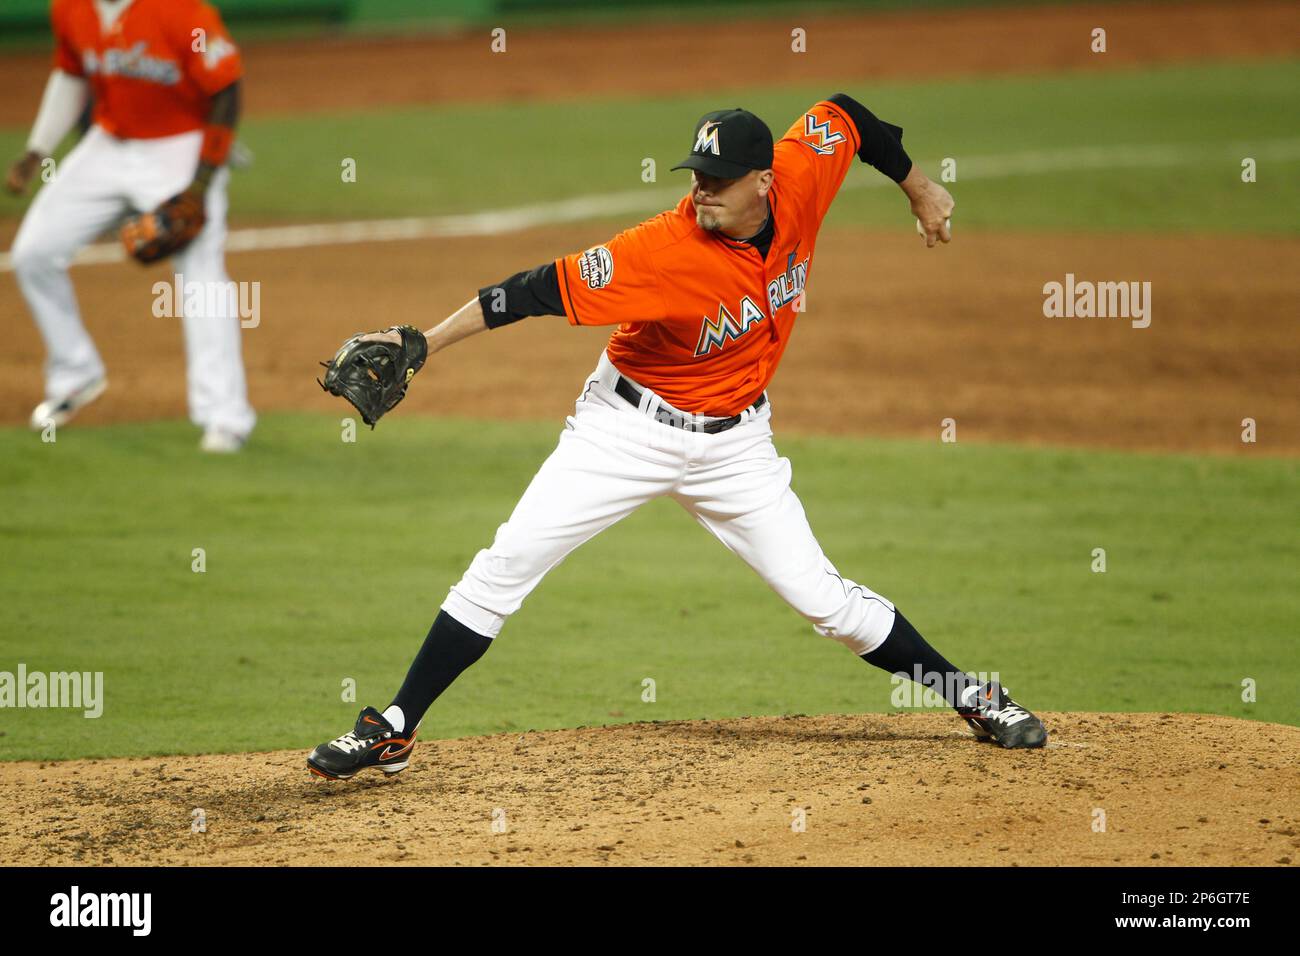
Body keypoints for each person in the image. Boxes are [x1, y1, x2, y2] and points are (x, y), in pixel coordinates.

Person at [308, 95, 1047, 780]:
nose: (703, 191)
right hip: (623, 431)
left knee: (824, 601)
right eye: (697, 175)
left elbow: (846, 115)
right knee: (509, 561)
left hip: (737, 448)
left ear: (765, 180)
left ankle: (973, 697)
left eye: (720, 179)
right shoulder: (660, 251)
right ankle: (396, 725)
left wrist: (917, 185)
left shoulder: (801, 175)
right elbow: (530, 290)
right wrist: (427, 344)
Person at [5, 0, 255, 452]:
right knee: (33, 252)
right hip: (107, 146)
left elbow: (227, 90)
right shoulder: (70, 8)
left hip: (179, 148)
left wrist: (199, 185)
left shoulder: (181, 12)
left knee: (199, 276)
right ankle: (75, 373)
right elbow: (71, 73)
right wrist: (37, 151)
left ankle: (225, 417)